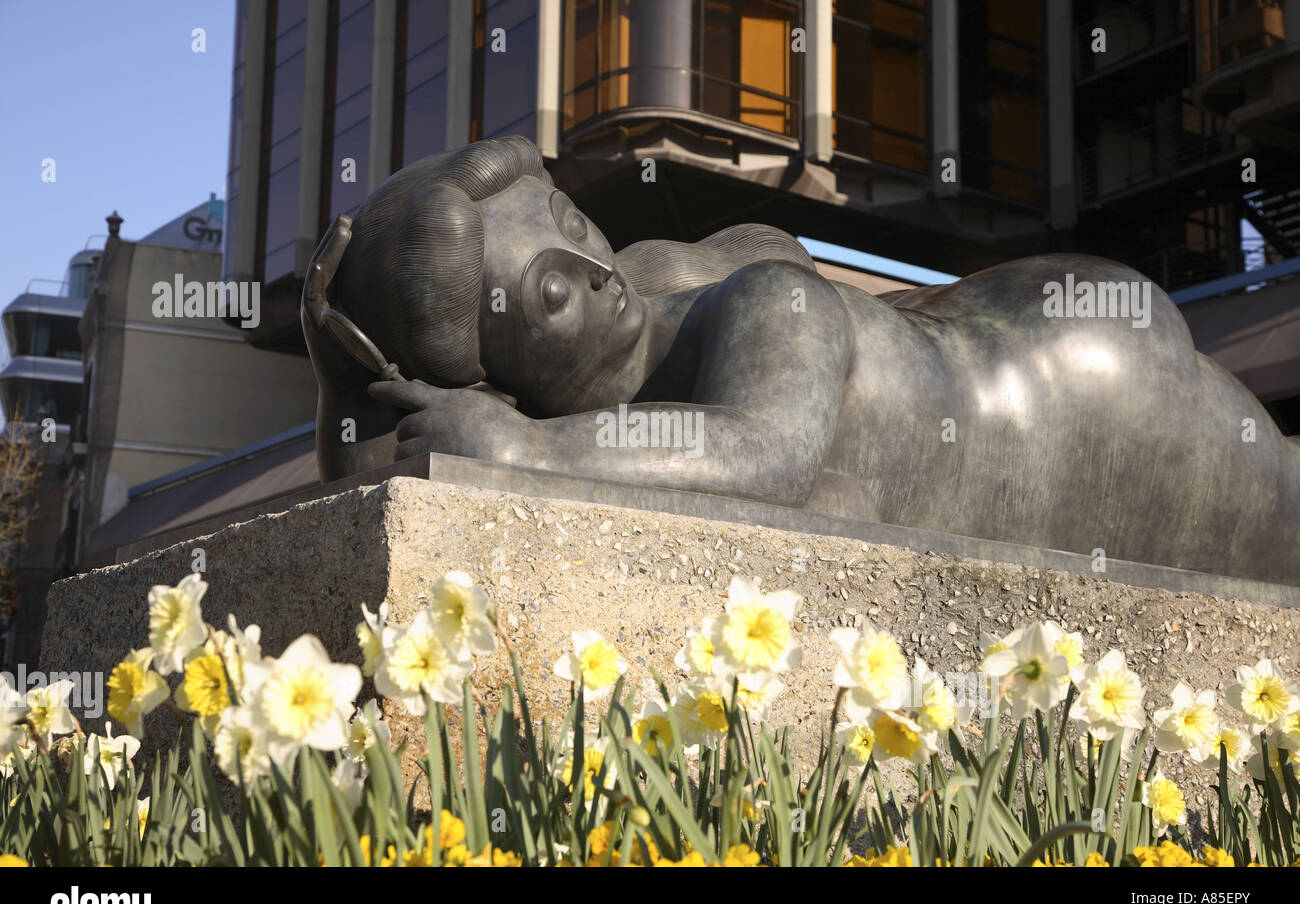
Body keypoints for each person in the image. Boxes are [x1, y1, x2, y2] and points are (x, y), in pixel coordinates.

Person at [302, 136, 1299, 585]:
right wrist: (343, 363)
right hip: (1028, 379)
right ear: (493, 374)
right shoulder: (614, 410)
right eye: (549, 296)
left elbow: (768, 454)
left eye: (570, 223)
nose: (596, 273)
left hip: (1097, 401)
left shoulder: (742, 297)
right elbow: (378, 474)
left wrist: (525, 455)